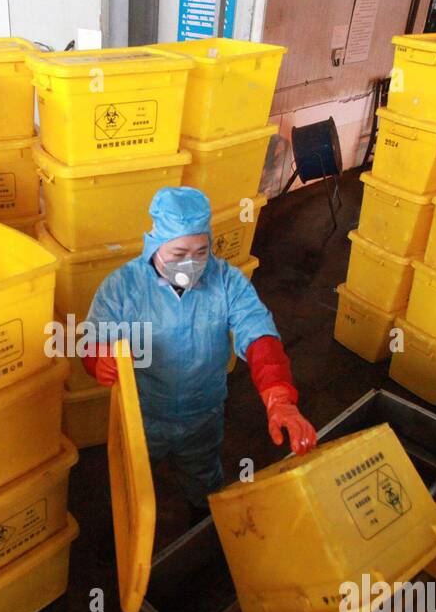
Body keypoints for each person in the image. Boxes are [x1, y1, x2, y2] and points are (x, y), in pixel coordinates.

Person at [82, 186, 317, 517]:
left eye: (201, 252)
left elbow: (260, 335)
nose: (190, 264)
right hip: (144, 416)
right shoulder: (123, 287)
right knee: (129, 485)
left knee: (204, 481)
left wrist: (279, 398)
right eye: (178, 254)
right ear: (156, 244)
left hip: (202, 416)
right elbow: (93, 337)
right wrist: (98, 359)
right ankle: (123, 531)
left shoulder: (226, 283)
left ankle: (203, 526)